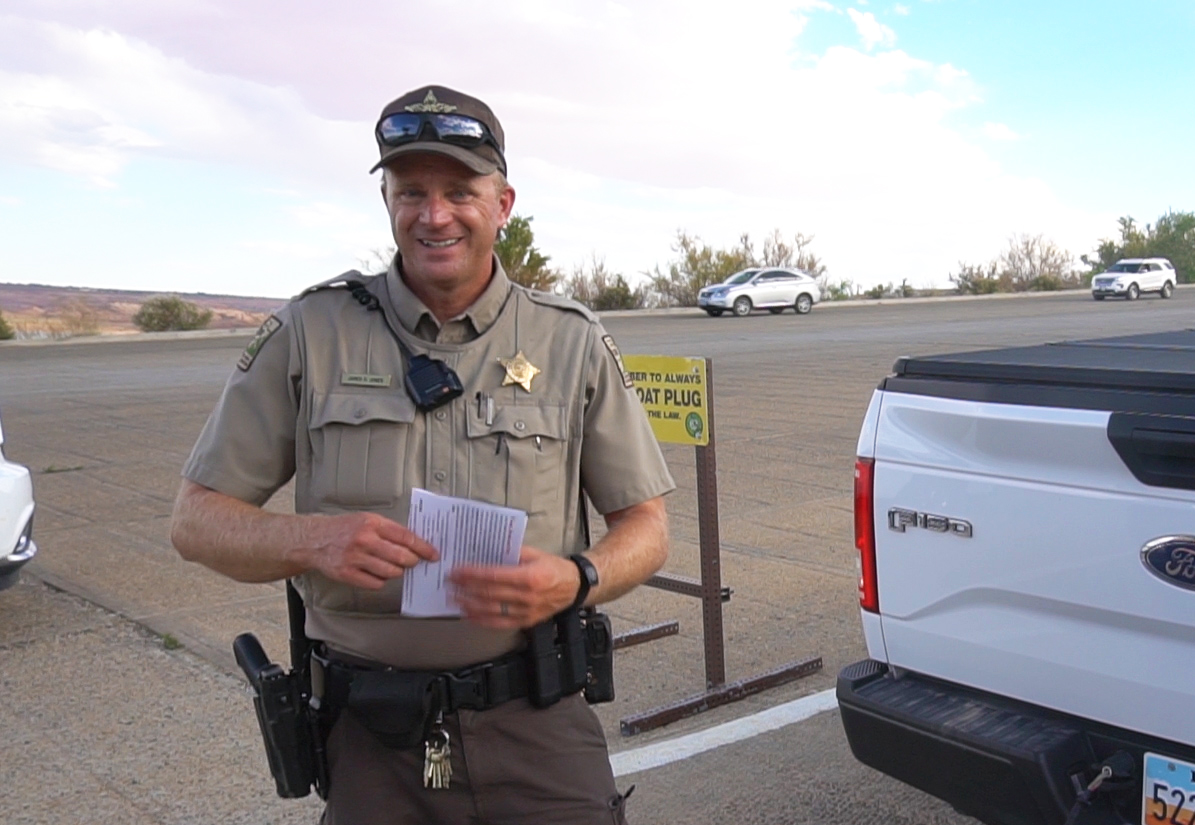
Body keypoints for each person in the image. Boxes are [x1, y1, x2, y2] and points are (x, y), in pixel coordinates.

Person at [170, 84, 675, 825]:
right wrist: (311, 538)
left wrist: (575, 579)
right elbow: (195, 521)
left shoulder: (568, 340)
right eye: (410, 191)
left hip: (537, 724)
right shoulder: (313, 332)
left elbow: (648, 529)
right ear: (387, 201)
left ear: (502, 204)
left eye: (459, 191)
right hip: (371, 736)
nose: (433, 214)